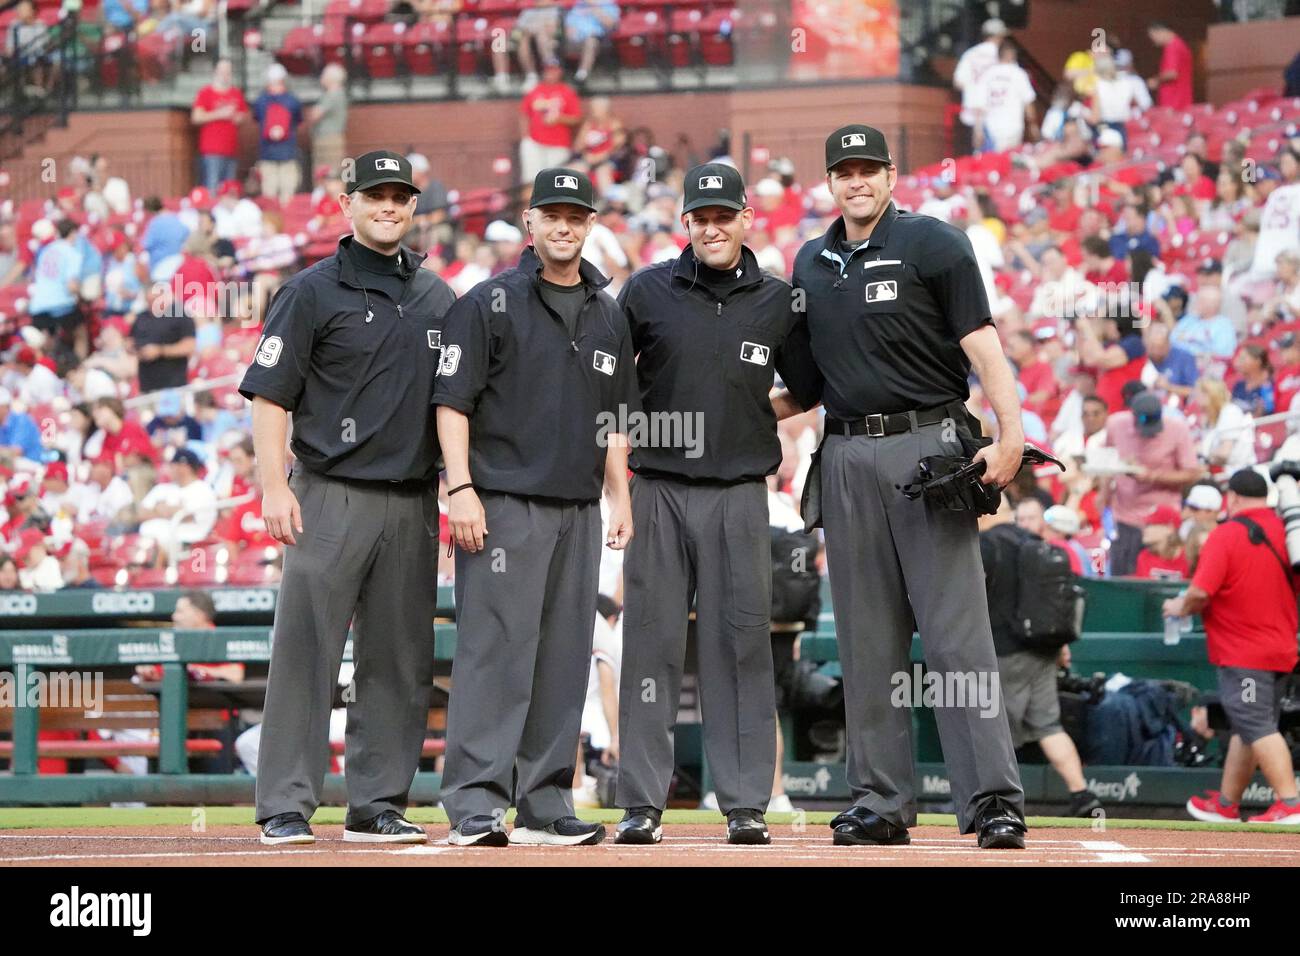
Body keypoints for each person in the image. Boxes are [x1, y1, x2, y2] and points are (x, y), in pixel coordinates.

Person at [790, 125, 1028, 849]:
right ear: (830, 180)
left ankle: (993, 800)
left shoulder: (936, 242)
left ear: (891, 175)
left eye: (868, 169)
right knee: (867, 641)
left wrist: (1010, 433)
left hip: (930, 450)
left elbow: (982, 344)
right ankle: (881, 801)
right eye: (844, 171)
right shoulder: (810, 260)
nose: (856, 181)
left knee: (957, 640)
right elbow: (802, 383)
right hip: (845, 451)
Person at [238, 150, 456, 847]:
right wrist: (274, 485)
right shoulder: (310, 291)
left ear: (415, 206)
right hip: (328, 494)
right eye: (375, 195)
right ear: (348, 203)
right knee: (307, 653)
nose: (388, 207)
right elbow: (270, 396)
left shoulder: (437, 296)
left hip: (414, 500)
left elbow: (459, 401)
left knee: (398, 659)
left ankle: (376, 804)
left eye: (400, 197)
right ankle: (284, 805)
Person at [612, 164, 823, 847]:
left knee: (741, 648)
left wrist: (754, 416)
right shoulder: (646, 291)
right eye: (700, 217)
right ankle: (642, 802)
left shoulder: (778, 299)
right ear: (686, 223)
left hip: (739, 491)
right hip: (659, 488)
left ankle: (744, 803)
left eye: (722, 215)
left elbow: (810, 388)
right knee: (650, 649)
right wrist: (620, 488)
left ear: (745, 219)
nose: (711, 227)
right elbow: (611, 394)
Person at [433, 167, 638, 848]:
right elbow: (452, 402)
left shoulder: (610, 313)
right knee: (496, 654)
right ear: (530, 222)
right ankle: (475, 801)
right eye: (552, 213)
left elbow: (613, 421)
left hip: (578, 508)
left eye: (576, 216)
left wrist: (620, 497)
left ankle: (546, 802)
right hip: (504, 504)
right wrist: (460, 488)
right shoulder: (488, 302)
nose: (563, 225)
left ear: (589, 224)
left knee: (564, 658)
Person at [1176, 469, 1300, 826]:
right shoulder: (1286, 531)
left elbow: (1200, 592)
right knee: (1248, 727)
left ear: (1232, 498)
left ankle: (1290, 802)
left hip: (1246, 652)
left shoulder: (1227, 534)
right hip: (1280, 648)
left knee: (1255, 723)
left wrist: (1177, 607)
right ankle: (1228, 804)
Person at [981, 501, 1103, 818]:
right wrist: (1060, 645)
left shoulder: (986, 544)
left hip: (1005, 649)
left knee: (995, 732)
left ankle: (998, 802)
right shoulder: (1033, 541)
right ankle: (1082, 794)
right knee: (1047, 725)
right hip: (1044, 648)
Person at [1099, 390, 1202, 575]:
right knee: (1123, 578)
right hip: (1125, 517)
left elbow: (1192, 473)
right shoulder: (1116, 424)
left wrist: (1152, 476)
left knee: (1157, 576)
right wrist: (1104, 495)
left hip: (1163, 519)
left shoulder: (1177, 429)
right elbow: (1108, 460)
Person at [517, 57, 581, 184]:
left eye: (553, 70)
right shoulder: (535, 90)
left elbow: (576, 119)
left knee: (553, 183)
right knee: (530, 180)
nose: (550, 73)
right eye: (547, 70)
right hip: (534, 142)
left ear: (560, 72)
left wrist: (559, 119)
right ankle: (531, 204)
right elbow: (524, 114)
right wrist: (525, 136)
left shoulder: (567, 92)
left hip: (558, 144)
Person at [191, 58, 249, 194]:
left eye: (228, 72)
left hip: (231, 150)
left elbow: (244, 115)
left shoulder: (236, 93)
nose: (225, 75)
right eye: (222, 71)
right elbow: (196, 117)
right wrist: (219, 114)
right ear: (215, 72)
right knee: (212, 189)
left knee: (229, 190)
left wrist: (239, 118)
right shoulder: (206, 93)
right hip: (212, 151)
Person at [969, 41, 1037, 153]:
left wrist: (977, 130)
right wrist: (1033, 126)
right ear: (1012, 55)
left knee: (987, 164)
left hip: (990, 128)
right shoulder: (1019, 74)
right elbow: (1028, 102)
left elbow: (979, 105)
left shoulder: (987, 74)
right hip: (1012, 128)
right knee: (1007, 164)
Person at [952, 18, 1008, 154]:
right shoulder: (1002, 57)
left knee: (977, 159)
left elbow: (958, 82)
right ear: (999, 36)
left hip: (972, 111)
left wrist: (974, 89)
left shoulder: (970, 54)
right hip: (997, 112)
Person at [252, 64, 304, 205]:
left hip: (267, 151)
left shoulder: (260, 101)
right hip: (288, 151)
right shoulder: (293, 100)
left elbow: (256, 118)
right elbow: (299, 120)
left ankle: (272, 219)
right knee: (288, 189)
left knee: (269, 189)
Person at [308, 64, 348, 178]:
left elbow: (315, 114)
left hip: (328, 138)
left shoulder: (332, 95)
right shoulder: (339, 93)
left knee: (327, 171)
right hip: (332, 136)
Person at [1134, 504, 1189, 580]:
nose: (1145, 529)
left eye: (1151, 525)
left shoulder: (1188, 557)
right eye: (1146, 525)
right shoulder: (1144, 557)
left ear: (1170, 528)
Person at [1146, 22, 1193, 110]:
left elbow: (1171, 73)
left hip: (1173, 102)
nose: (1153, 42)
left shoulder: (1172, 47)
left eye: (1153, 37)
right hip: (1182, 100)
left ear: (1160, 32)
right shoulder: (1180, 44)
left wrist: (1155, 80)